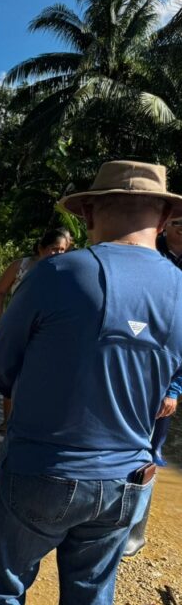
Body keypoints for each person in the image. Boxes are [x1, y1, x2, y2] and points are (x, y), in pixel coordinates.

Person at [0, 160, 182, 605]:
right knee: (90, 604)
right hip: (129, 479)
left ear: (88, 210)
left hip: (41, 469)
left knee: (2, 590)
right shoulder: (179, 286)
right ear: (164, 215)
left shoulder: (59, 272)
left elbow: (3, 360)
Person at [124, 214, 182, 556]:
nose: (180, 228)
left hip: (167, 370)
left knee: (151, 450)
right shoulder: (146, 253)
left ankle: (134, 533)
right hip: (132, 362)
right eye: (175, 221)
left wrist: (175, 388)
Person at [0, 229, 69, 430]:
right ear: (41, 248)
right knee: (11, 371)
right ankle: (8, 422)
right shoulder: (21, 266)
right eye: (54, 249)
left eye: (62, 250)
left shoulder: (65, 269)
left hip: (47, 329)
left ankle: (31, 422)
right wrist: (1, 318)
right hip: (17, 327)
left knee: (40, 374)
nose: (58, 254)